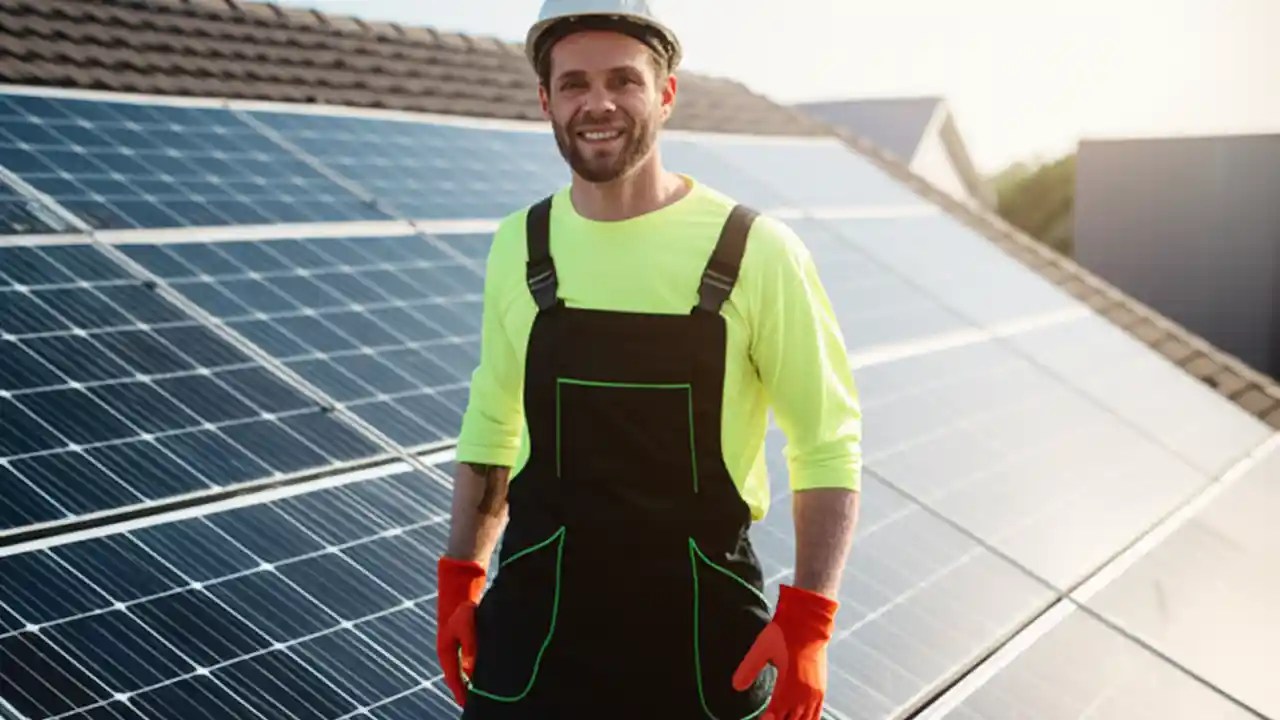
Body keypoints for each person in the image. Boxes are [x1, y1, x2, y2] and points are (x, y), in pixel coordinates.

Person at [435, 1, 862, 718]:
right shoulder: (520, 243)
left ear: (665, 93)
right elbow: (492, 423)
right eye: (573, 84)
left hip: (698, 646)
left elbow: (827, 441)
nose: (596, 103)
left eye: (623, 81)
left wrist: (810, 619)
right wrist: (460, 576)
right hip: (535, 641)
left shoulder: (754, 251)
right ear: (546, 100)